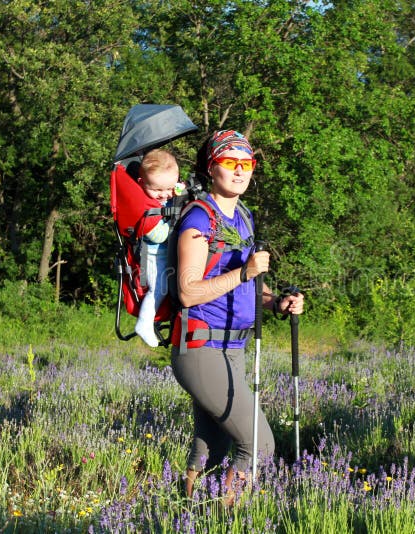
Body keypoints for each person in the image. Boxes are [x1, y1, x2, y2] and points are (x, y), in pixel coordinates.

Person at [171, 130, 304, 501]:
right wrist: (244, 272)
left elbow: (246, 288)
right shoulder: (199, 220)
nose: (240, 171)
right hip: (200, 347)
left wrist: (276, 302)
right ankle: (227, 520)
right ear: (211, 168)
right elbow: (188, 291)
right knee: (258, 445)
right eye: (231, 163)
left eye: (247, 164)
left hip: (232, 348)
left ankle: (192, 517)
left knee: (210, 447)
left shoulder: (242, 217)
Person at [134, 148, 183, 346]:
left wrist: (179, 192)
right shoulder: (144, 206)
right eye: (157, 190)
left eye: (169, 189)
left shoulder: (167, 193)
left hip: (167, 255)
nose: (164, 195)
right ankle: (144, 324)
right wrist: (174, 220)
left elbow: (176, 193)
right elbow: (158, 234)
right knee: (159, 288)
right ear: (142, 184)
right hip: (154, 257)